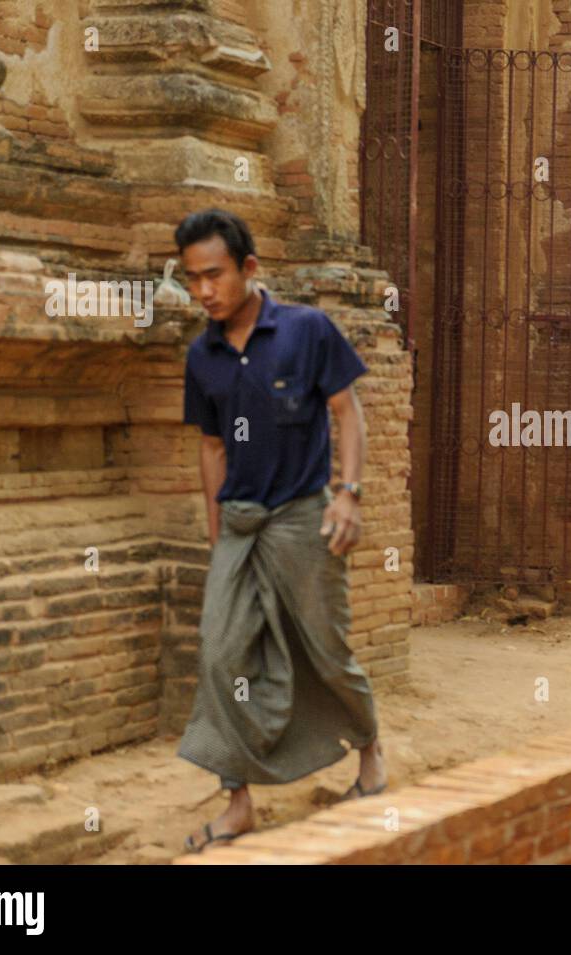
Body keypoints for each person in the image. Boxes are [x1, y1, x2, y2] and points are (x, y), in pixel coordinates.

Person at [174, 209, 386, 853]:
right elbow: (212, 450)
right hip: (240, 523)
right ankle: (237, 802)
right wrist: (219, 542)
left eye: (214, 275)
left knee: (325, 647)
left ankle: (370, 754)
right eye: (191, 280)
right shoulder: (202, 356)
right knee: (219, 652)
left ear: (249, 270)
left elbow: (347, 415)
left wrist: (347, 494)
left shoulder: (306, 331)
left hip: (302, 515)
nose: (204, 291)